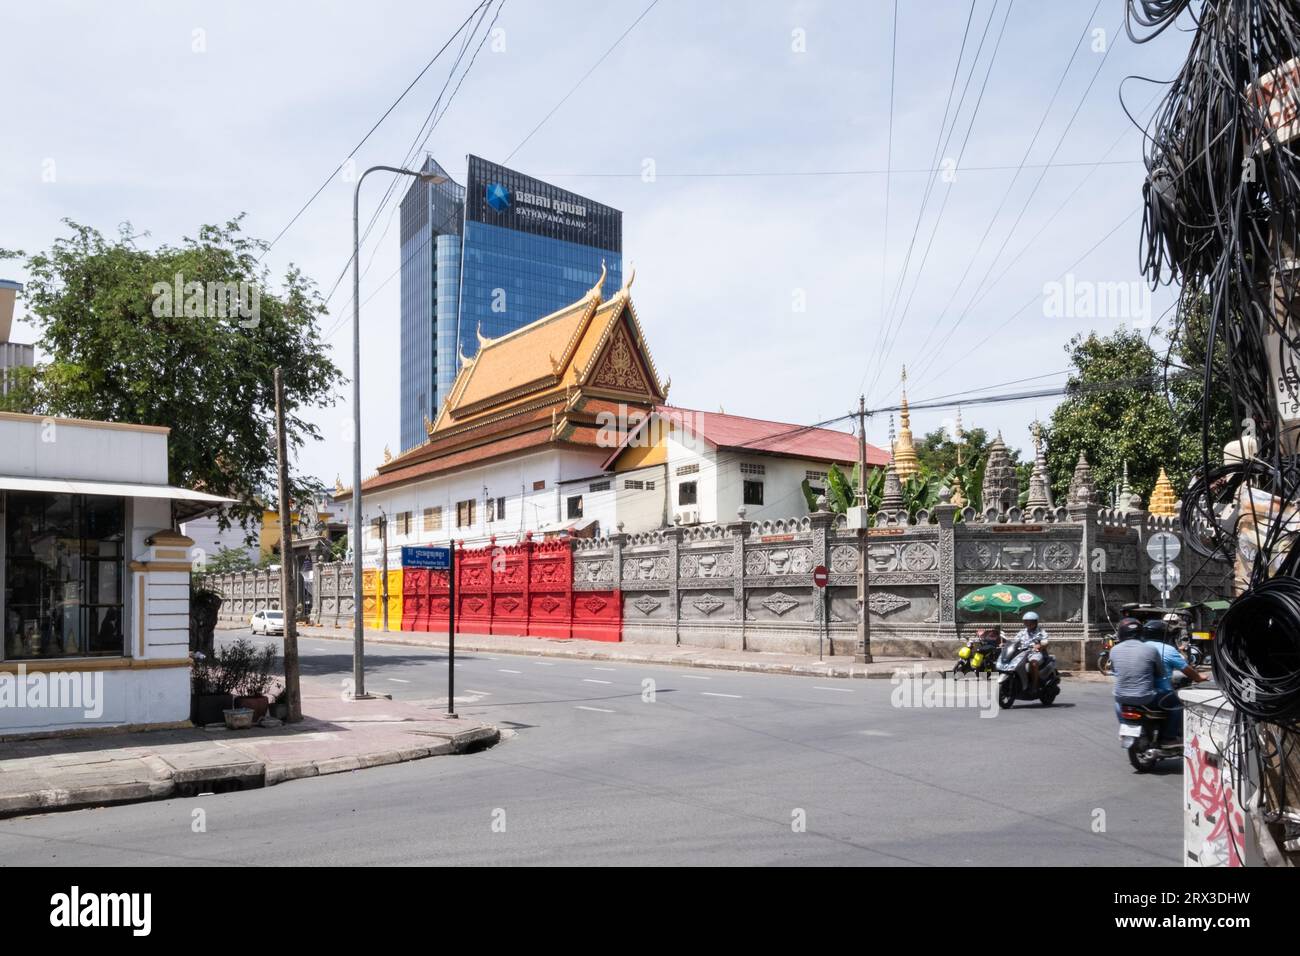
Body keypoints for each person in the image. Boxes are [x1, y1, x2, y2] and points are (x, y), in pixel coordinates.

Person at [1140, 618, 1206, 742]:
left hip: (1135, 693)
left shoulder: (1138, 648)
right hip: (1157, 694)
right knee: (1177, 705)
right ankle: (1169, 737)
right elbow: (1186, 669)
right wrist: (1198, 677)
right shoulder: (1167, 649)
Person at [1108, 615, 1167, 728]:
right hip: (1146, 697)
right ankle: (1169, 736)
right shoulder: (1151, 649)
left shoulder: (1114, 650)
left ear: (1121, 634)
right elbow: (1161, 674)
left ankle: (1123, 726)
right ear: (1141, 633)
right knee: (1172, 701)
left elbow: (1114, 671)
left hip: (1121, 697)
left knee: (1117, 704)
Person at [1011, 611, 1049, 693]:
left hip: (1036, 653)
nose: (1028, 623)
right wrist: (1006, 644)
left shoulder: (1041, 632)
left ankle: (1034, 685)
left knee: (1033, 663)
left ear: (1036, 622)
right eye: (1026, 621)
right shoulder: (1022, 632)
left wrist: (1040, 645)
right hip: (1022, 653)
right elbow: (1015, 640)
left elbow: (1045, 642)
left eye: (1030, 621)